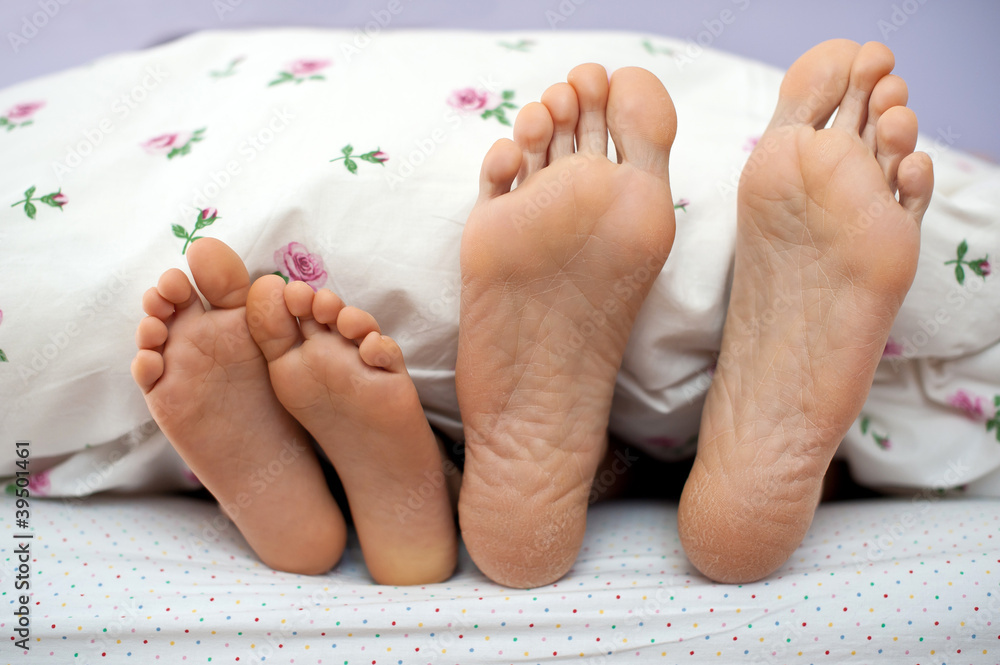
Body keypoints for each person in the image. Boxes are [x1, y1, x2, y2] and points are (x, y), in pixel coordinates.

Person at [131, 39, 933, 587]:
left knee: (517, 467)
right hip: (647, 449)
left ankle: (373, 497)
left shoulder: (200, 63)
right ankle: (767, 439)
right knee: (692, 462)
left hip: (480, 454)